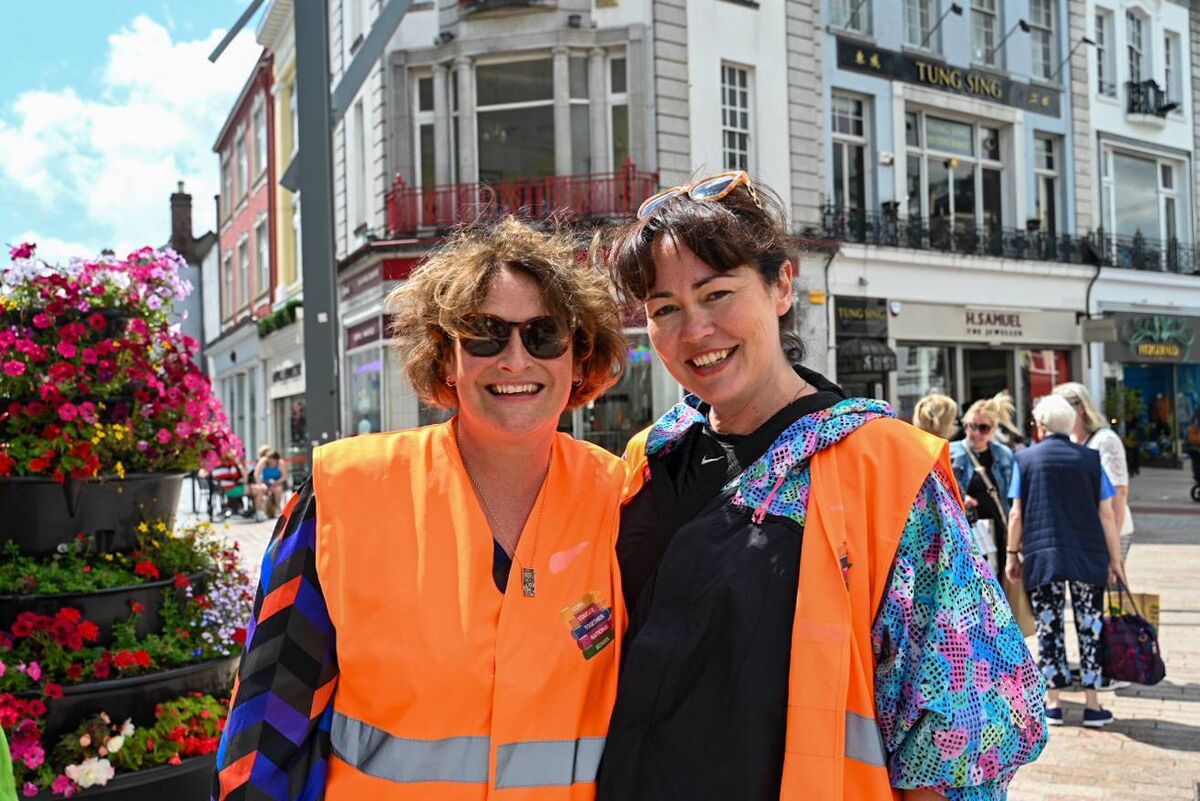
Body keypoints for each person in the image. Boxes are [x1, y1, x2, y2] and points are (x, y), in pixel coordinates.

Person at [595, 171, 1046, 800]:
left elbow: (960, 725)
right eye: (665, 309)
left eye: (717, 293)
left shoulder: (886, 469)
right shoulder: (649, 460)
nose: (693, 331)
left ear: (781, 285)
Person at [213, 218, 630, 800]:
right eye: (484, 333)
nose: (515, 359)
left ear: (579, 358)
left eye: (544, 334)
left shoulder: (626, 497)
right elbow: (266, 724)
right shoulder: (344, 492)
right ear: (445, 360)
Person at [1005, 394, 1126, 728]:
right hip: (1088, 554)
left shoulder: (1025, 459)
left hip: (1044, 555)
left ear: (1042, 427)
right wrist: (1116, 560)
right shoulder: (1089, 459)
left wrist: (1012, 556)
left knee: (1049, 625)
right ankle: (1092, 703)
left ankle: (1053, 702)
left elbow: (1017, 514)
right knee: (1090, 624)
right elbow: (1106, 514)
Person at [1054, 382, 1134, 539]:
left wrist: (1113, 541)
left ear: (1081, 409)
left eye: (1062, 410)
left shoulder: (1106, 440)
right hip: (1081, 529)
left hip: (1109, 529)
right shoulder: (1068, 439)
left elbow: (1119, 491)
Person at [950, 398, 1015, 577]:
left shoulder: (1004, 454)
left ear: (993, 430)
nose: (977, 433)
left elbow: (1011, 496)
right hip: (967, 530)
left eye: (984, 428)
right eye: (972, 426)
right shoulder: (952, 452)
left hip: (998, 530)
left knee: (999, 581)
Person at [250, 448, 288, 520]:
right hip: (265, 482)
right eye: (269, 461)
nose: (271, 462)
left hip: (277, 482)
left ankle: (278, 509)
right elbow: (256, 474)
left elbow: (284, 476)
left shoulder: (281, 463)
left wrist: (276, 483)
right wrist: (260, 484)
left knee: (278, 490)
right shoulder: (263, 462)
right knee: (260, 490)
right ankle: (260, 512)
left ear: (276, 460)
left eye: (273, 461)